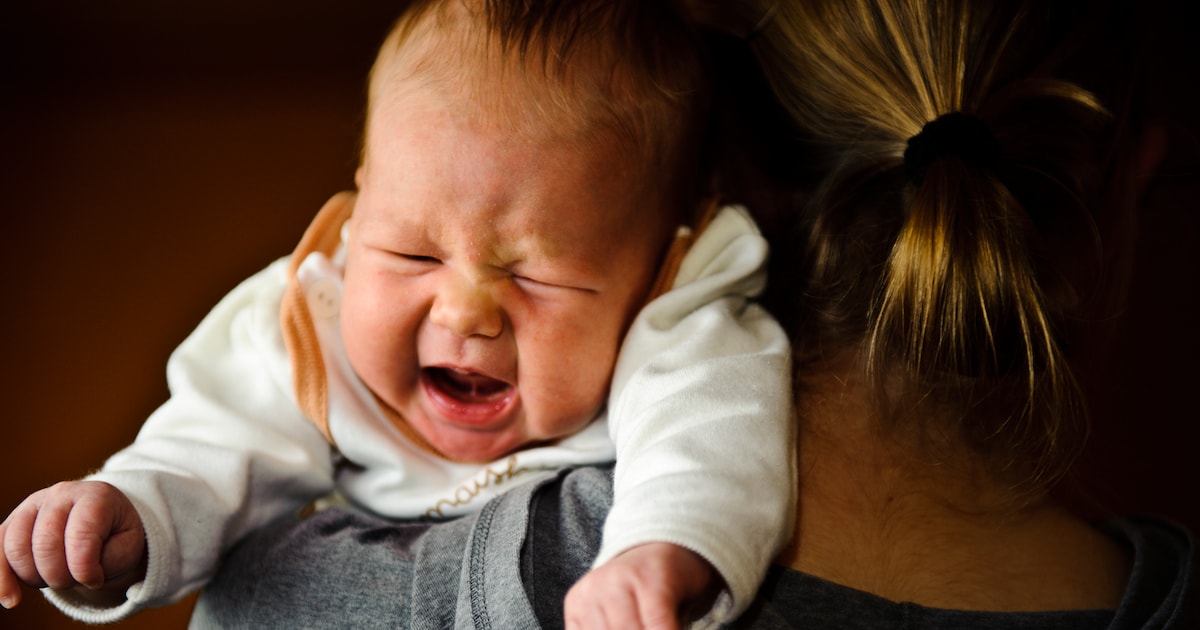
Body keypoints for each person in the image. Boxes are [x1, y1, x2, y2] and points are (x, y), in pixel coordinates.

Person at [190, 0, 1197, 627]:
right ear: (1131, 170)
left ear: (709, 202)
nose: (467, 310)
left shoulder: (298, 591)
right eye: (412, 249)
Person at [0, 0, 794, 627]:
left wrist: (665, 548)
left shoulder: (673, 322)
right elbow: (213, 448)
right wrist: (127, 510)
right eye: (414, 254)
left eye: (538, 275)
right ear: (359, 212)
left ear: (660, 263)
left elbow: (714, 432)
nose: (467, 312)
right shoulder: (313, 317)